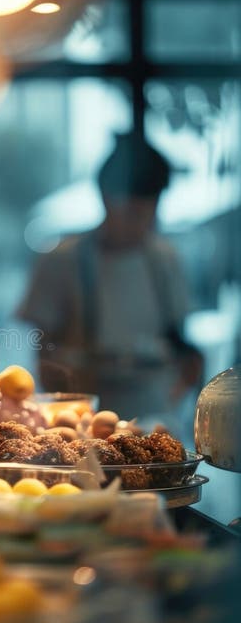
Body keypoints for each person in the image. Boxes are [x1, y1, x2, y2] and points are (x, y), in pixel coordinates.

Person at [17, 132, 202, 420]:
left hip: (153, 414)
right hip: (83, 415)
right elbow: (43, 348)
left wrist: (174, 400)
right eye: (131, 211)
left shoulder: (165, 259)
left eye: (149, 210)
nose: (142, 221)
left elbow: (182, 343)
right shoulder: (62, 260)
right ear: (105, 199)